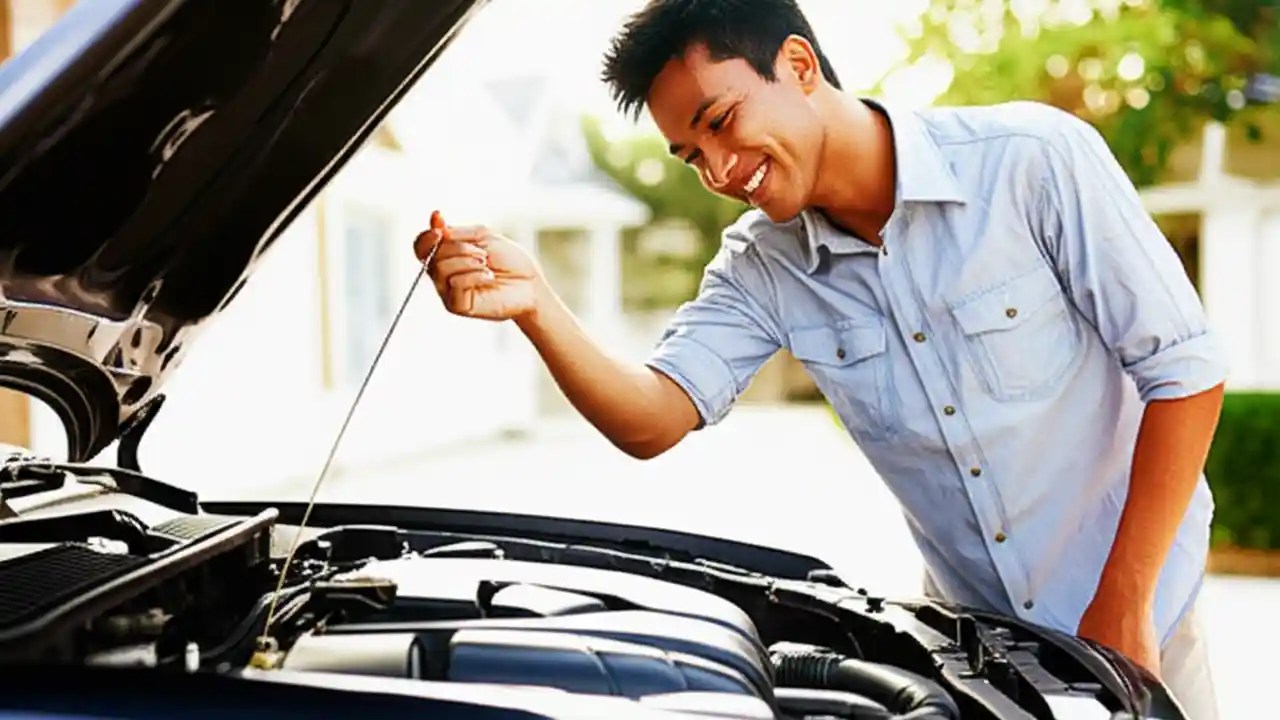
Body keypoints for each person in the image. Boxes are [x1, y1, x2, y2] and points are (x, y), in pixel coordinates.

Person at [413, 1, 1226, 716]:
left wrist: (1124, 601)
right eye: (692, 156)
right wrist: (537, 307)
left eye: (721, 121)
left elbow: (1184, 370)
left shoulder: (1031, 162)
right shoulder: (763, 266)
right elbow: (652, 418)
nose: (720, 171)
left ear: (798, 65)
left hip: (1142, 619)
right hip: (984, 651)